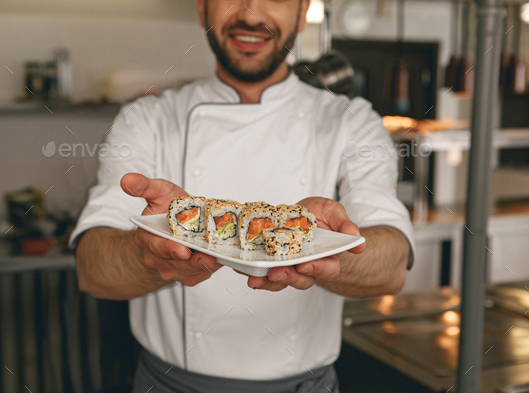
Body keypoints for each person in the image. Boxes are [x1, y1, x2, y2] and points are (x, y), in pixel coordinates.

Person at [71, 1, 414, 392]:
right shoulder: (146, 119)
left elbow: (393, 265)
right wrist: (150, 254)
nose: (251, 15)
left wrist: (309, 246)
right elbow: (91, 269)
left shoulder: (351, 121)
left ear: (303, 13)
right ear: (202, 8)